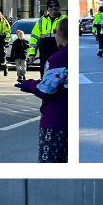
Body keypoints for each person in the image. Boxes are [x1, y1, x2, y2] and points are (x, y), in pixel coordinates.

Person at [16, 15, 67, 163]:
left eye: (56, 32)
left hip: (56, 122)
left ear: (61, 33)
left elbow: (46, 90)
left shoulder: (59, 58)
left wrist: (27, 84)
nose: (54, 36)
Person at [29, 0, 66, 74]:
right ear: (48, 9)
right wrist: (32, 54)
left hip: (60, 53)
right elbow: (34, 38)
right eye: (51, 6)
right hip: (44, 55)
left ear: (59, 7)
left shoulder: (65, 19)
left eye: (55, 5)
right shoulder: (41, 21)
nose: (53, 7)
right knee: (44, 76)